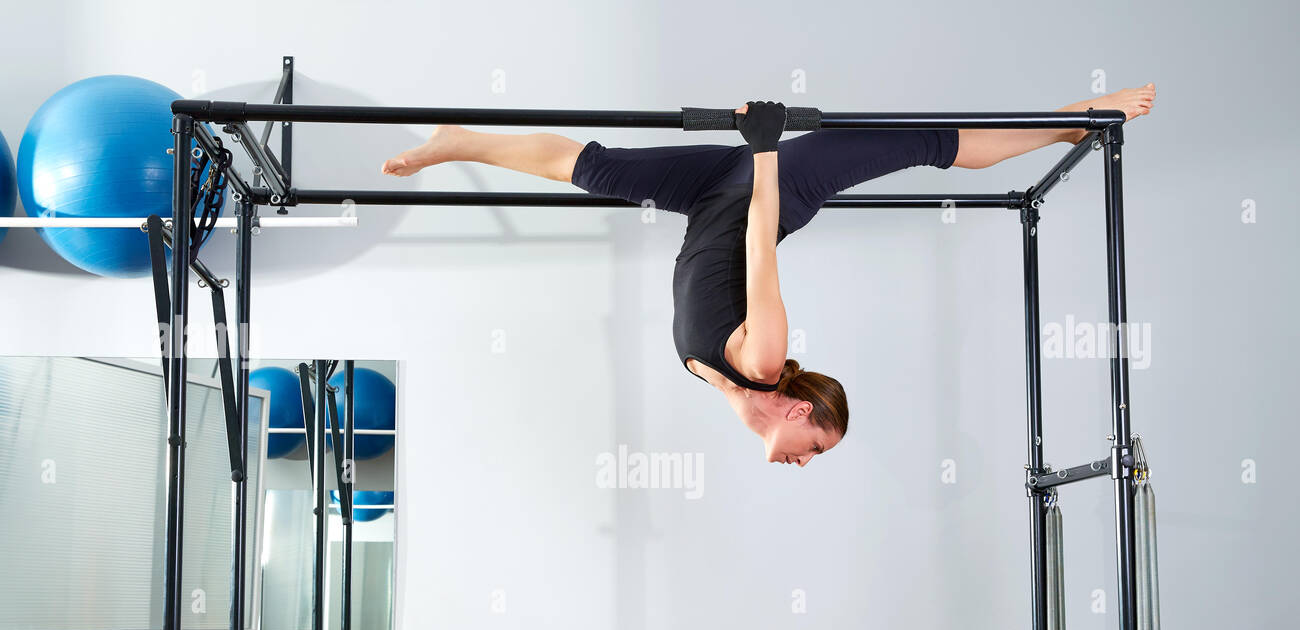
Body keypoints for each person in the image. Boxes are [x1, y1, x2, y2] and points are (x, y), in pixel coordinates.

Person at [382, 86, 1155, 466]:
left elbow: (739, 388)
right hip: (768, 186)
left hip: (704, 197)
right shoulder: (759, 360)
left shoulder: (736, 391)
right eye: (815, 447)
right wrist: (765, 146)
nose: (805, 463)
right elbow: (760, 240)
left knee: (595, 169)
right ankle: (1084, 116)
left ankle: (460, 139)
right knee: (927, 139)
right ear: (794, 411)